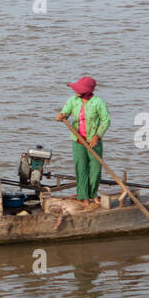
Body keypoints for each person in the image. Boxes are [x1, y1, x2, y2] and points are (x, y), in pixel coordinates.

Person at [54, 76, 110, 206]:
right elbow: (65, 112)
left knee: (95, 169)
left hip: (93, 141)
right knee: (81, 168)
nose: (76, 91)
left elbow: (105, 120)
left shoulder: (98, 102)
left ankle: (93, 194)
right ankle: (83, 196)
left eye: (79, 89)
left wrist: (97, 136)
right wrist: (61, 116)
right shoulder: (73, 101)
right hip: (78, 140)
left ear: (88, 91)